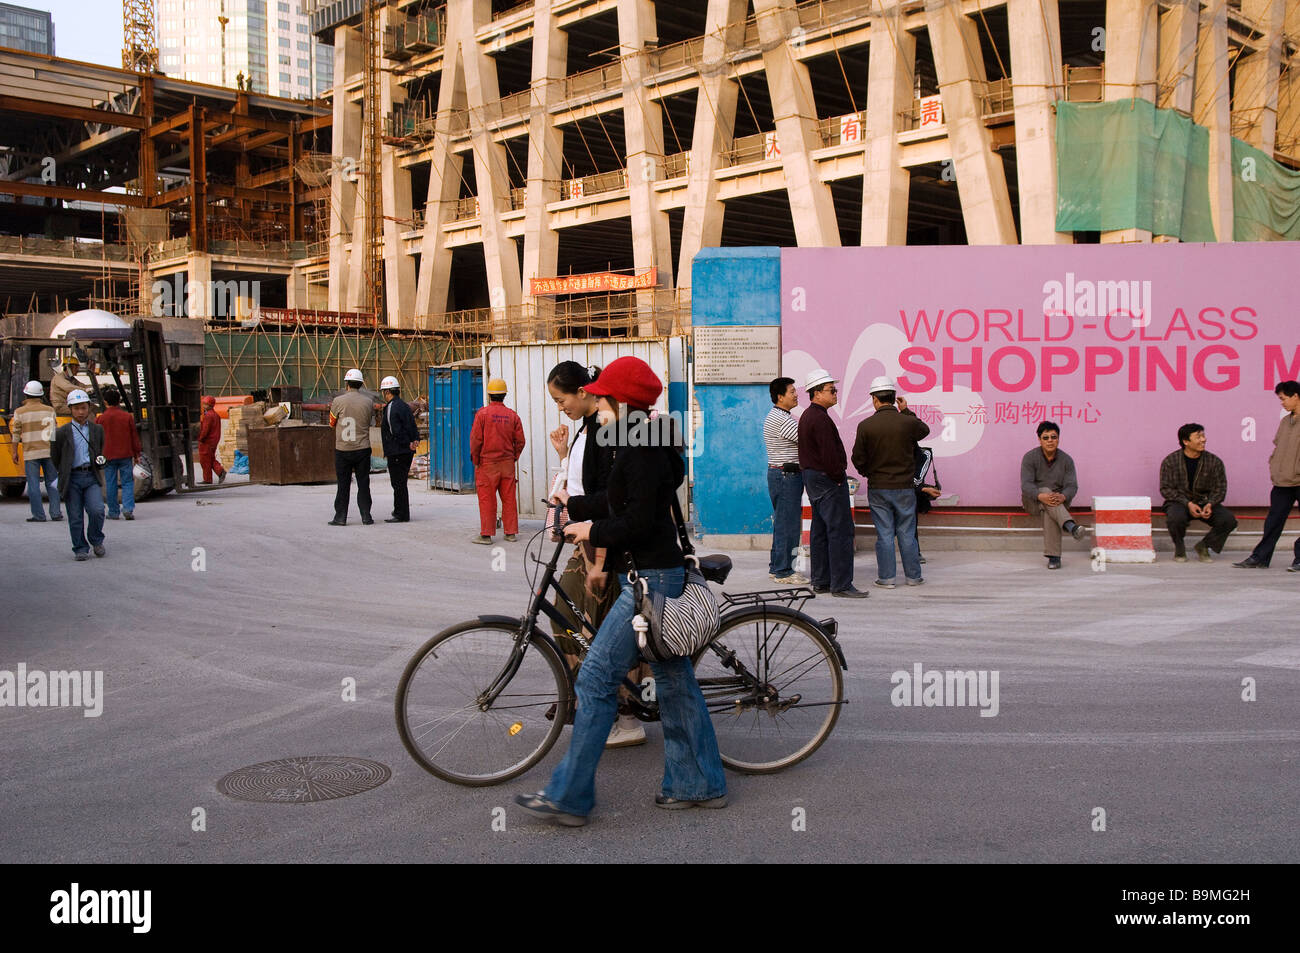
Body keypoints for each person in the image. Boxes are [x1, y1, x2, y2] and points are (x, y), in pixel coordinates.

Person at [515, 356, 726, 826]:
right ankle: (699, 784)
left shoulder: (641, 447)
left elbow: (636, 520)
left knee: (593, 680)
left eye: (603, 395)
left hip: (652, 580)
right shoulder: (641, 438)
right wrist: (575, 505)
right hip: (655, 574)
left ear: (621, 401)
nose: (597, 403)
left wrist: (591, 532)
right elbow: (622, 500)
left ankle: (569, 797)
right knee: (675, 683)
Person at [545, 361, 643, 749]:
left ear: (584, 392)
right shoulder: (589, 429)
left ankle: (625, 714)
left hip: (606, 544)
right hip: (588, 538)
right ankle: (587, 700)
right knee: (567, 617)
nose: (559, 406)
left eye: (561, 398)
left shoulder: (615, 433)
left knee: (614, 635)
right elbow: (581, 484)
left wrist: (599, 559)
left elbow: (614, 503)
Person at [851, 376, 930, 588]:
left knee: (884, 534)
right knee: (907, 533)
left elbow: (857, 457)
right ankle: (913, 577)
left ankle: (887, 578)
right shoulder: (907, 422)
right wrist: (906, 411)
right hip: (904, 487)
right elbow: (925, 431)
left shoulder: (866, 425)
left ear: (875, 399)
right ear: (895, 398)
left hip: (878, 487)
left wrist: (868, 472)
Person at [797, 369, 866, 598]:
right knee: (840, 531)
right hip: (827, 480)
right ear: (816, 393)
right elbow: (829, 455)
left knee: (820, 530)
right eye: (831, 390)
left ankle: (821, 580)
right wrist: (838, 478)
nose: (836, 393)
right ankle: (842, 584)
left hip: (813, 478)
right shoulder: (820, 419)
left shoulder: (809, 416)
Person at [1235, 380, 1300, 571]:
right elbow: (1278, 447)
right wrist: (1274, 466)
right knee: (1273, 522)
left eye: (1283, 399)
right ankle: (1260, 557)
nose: (1282, 403)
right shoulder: (1285, 421)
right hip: (1282, 482)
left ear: (1296, 396)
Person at [1159, 423, 1237, 563]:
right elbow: (1166, 489)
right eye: (1198, 437)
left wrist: (1210, 504)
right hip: (1179, 502)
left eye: (1203, 436)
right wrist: (1187, 503)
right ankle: (1179, 547)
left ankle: (1204, 545)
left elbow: (1220, 488)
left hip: (1204, 501)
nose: (1203, 440)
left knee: (1228, 520)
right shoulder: (1170, 461)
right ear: (1186, 442)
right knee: (1175, 518)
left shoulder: (1214, 461)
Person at [1020, 420, 1090, 569]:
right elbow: (1026, 485)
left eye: (1054, 437)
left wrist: (1064, 496)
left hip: (1058, 502)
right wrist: (1040, 495)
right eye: (1046, 438)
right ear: (1039, 439)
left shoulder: (1067, 460)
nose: (1050, 441)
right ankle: (1071, 527)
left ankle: (1054, 558)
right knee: (1046, 492)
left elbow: (1072, 486)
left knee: (1049, 507)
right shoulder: (1029, 458)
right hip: (1032, 501)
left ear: (1058, 438)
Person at [49, 389, 106, 561]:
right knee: (75, 516)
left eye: (83, 408)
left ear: (88, 407)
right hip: (72, 478)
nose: (80, 412)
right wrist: (65, 470)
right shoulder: (60, 432)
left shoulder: (97, 430)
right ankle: (80, 547)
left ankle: (96, 539)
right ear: (70, 409)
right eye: (76, 408)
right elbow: (55, 456)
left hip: (90, 476)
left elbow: (100, 449)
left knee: (97, 510)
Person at [470, 378, 525, 544]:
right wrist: (513, 457)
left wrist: (476, 459)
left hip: (487, 464)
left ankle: (486, 535)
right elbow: (521, 441)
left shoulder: (482, 414)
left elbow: (475, 440)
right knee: (509, 499)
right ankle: (510, 533)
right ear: (505, 395)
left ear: (489, 395)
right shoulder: (512, 416)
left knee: (487, 499)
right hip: (507, 463)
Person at [765, 376, 808, 585]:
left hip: (781, 475)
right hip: (786, 476)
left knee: (783, 524)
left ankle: (777, 567)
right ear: (780, 397)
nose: (796, 394)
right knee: (788, 525)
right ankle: (784, 571)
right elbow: (807, 440)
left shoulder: (779, 416)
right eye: (791, 391)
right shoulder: (782, 419)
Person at [9, 380, 62, 523]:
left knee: (33, 484)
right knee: (52, 482)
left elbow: (16, 434)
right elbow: (53, 433)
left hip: (31, 453)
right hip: (48, 451)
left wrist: (14, 452)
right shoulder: (49, 410)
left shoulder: (20, 412)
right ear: (41, 395)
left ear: (26, 394)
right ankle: (56, 513)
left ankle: (39, 515)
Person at [328, 368, 374, 526]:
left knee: (343, 484)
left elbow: (331, 423)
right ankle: (366, 516)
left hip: (343, 449)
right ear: (361, 384)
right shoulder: (368, 402)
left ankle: (340, 517)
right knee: (363, 483)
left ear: (346, 384)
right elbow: (369, 422)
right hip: (362, 448)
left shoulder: (338, 401)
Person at [378, 376, 419, 523]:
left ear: (387, 391)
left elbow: (395, 431)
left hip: (397, 451)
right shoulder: (404, 406)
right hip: (405, 451)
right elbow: (412, 425)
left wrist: (407, 442)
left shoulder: (390, 408)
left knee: (398, 483)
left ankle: (401, 514)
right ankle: (399, 510)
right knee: (401, 482)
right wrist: (415, 440)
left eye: (384, 391)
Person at [97, 387, 142, 520]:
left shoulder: (101, 419)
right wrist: (137, 454)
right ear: (119, 401)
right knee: (128, 482)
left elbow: (97, 439)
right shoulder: (127, 417)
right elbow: (134, 437)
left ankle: (113, 512)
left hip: (108, 455)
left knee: (110, 483)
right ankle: (128, 509)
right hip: (125, 455)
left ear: (105, 402)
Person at [912, 446, 942, 564]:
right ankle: (913, 573)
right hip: (899, 491)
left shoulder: (924, 453)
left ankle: (915, 553)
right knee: (890, 530)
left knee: (889, 530)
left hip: (904, 491)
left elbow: (917, 480)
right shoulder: (892, 450)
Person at [196, 396, 227, 485]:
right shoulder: (216, 415)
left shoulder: (208, 416)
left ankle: (209, 478)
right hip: (213, 441)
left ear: (208, 405)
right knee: (210, 458)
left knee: (205, 460)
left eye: (204, 404)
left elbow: (205, 429)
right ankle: (219, 472)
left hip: (207, 441)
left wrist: (200, 438)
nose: (203, 406)